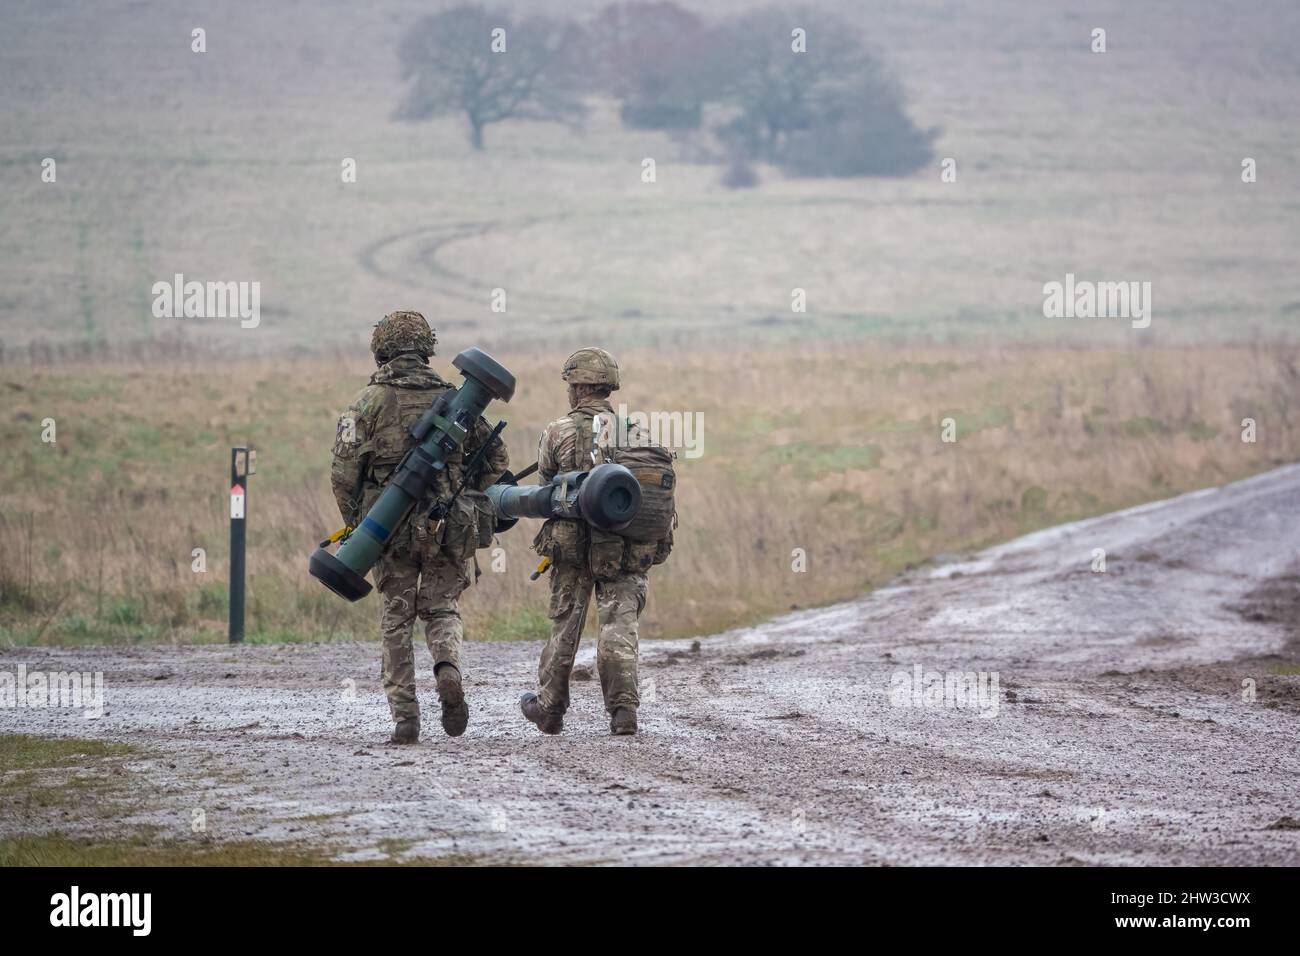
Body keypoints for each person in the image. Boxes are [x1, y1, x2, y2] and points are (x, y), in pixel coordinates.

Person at [330, 311, 508, 743]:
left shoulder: (366, 404)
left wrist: (361, 526)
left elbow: (342, 473)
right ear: (428, 348)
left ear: (383, 349)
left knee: (396, 618)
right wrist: (467, 494)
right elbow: (495, 460)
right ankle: (447, 669)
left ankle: (406, 717)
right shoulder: (456, 398)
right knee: (442, 609)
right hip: (448, 524)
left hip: (388, 530)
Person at [520, 347, 663, 737]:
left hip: (573, 546)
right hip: (624, 547)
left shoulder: (558, 431)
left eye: (571, 384)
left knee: (565, 625)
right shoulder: (637, 432)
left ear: (579, 386)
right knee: (620, 626)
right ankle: (623, 712)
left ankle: (549, 709)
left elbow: (545, 490)